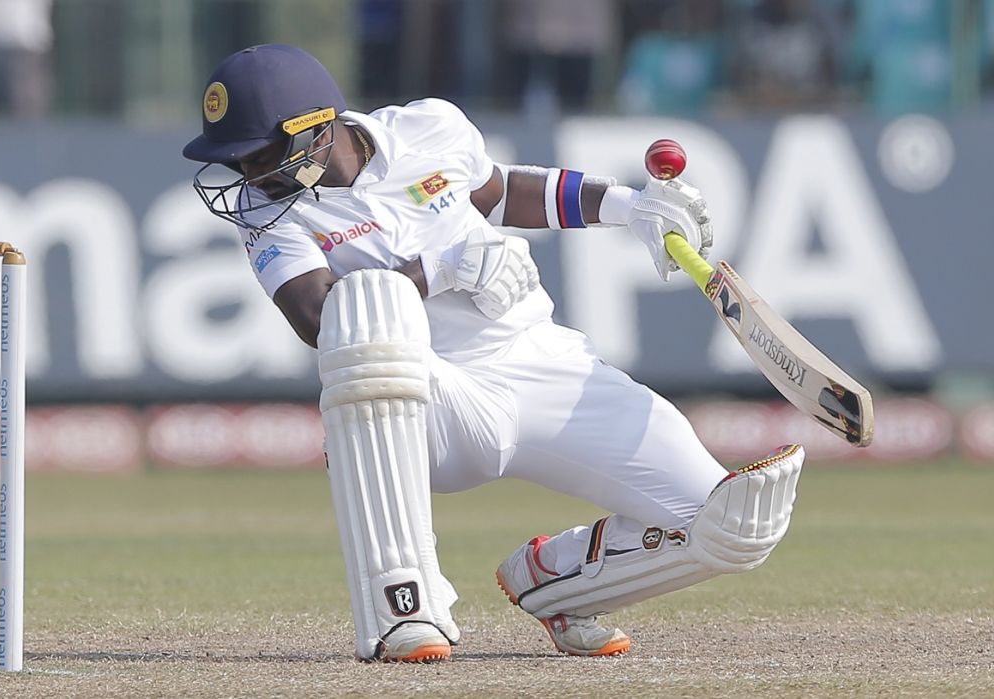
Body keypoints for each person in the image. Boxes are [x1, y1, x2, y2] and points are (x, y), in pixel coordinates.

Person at [183, 44, 804, 663]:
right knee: (364, 312)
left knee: (731, 526)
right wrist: (440, 269)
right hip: (427, 400)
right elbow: (318, 316)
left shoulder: (430, 127)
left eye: (261, 155)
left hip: (542, 360)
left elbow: (500, 194)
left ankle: (554, 580)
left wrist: (628, 207)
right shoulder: (269, 212)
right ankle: (402, 607)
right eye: (237, 161)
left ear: (316, 127)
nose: (249, 176)